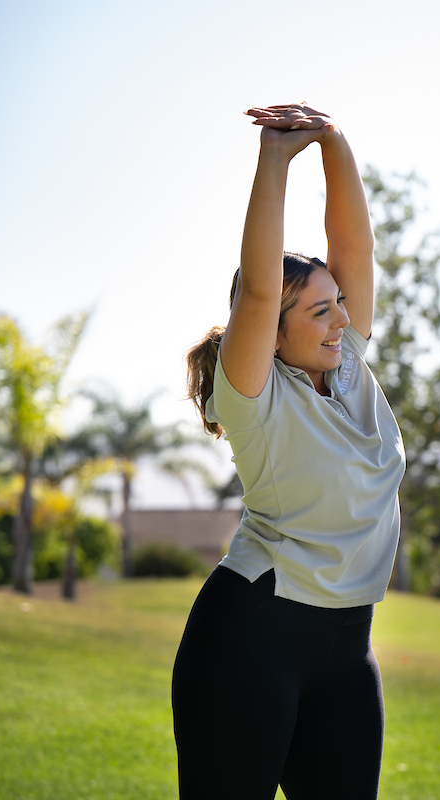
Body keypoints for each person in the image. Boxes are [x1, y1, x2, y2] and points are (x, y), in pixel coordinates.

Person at [174, 104, 405, 800]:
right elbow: (261, 285)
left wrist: (334, 142)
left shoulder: (349, 368)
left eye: (340, 304)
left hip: (346, 650)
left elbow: (353, 247)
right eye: (318, 311)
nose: (342, 321)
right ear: (271, 333)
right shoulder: (254, 395)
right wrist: (274, 158)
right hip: (251, 640)